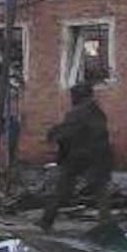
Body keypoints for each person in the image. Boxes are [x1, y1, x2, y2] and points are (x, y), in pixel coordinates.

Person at [39, 82, 113, 230]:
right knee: (101, 192)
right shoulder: (97, 112)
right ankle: (106, 224)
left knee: (62, 189)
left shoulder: (77, 112)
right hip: (99, 156)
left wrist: (55, 137)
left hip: (79, 156)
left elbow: (67, 134)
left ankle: (47, 221)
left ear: (77, 96)